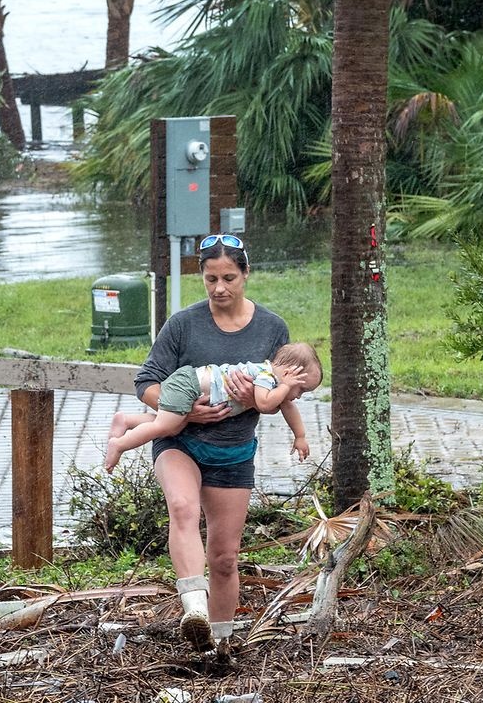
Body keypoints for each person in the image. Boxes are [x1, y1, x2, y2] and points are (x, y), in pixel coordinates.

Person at [133, 233, 306, 654]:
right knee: (182, 507)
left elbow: (280, 394)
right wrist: (186, 412)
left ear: (246, 274)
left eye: (229, 278)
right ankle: (194, 608)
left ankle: (219, 647)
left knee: (225, 558)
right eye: (211, 279)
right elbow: (146, 383)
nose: (219, 288)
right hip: (181, 441)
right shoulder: (183, 324)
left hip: (233, 453)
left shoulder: (272, 328)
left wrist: (259, 402)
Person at [103, 342, 322, 473]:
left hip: (190, 383)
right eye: (301, 389)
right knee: (165, 426)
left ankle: (127, 421)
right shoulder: (266, 376)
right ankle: (120, 444)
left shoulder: (276, 383)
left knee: (173, 425)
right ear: (288, 374)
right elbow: (264, 404)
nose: (298, 396)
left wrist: (300, 436)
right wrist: (285, 388)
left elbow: (287, 407)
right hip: (189, 385)